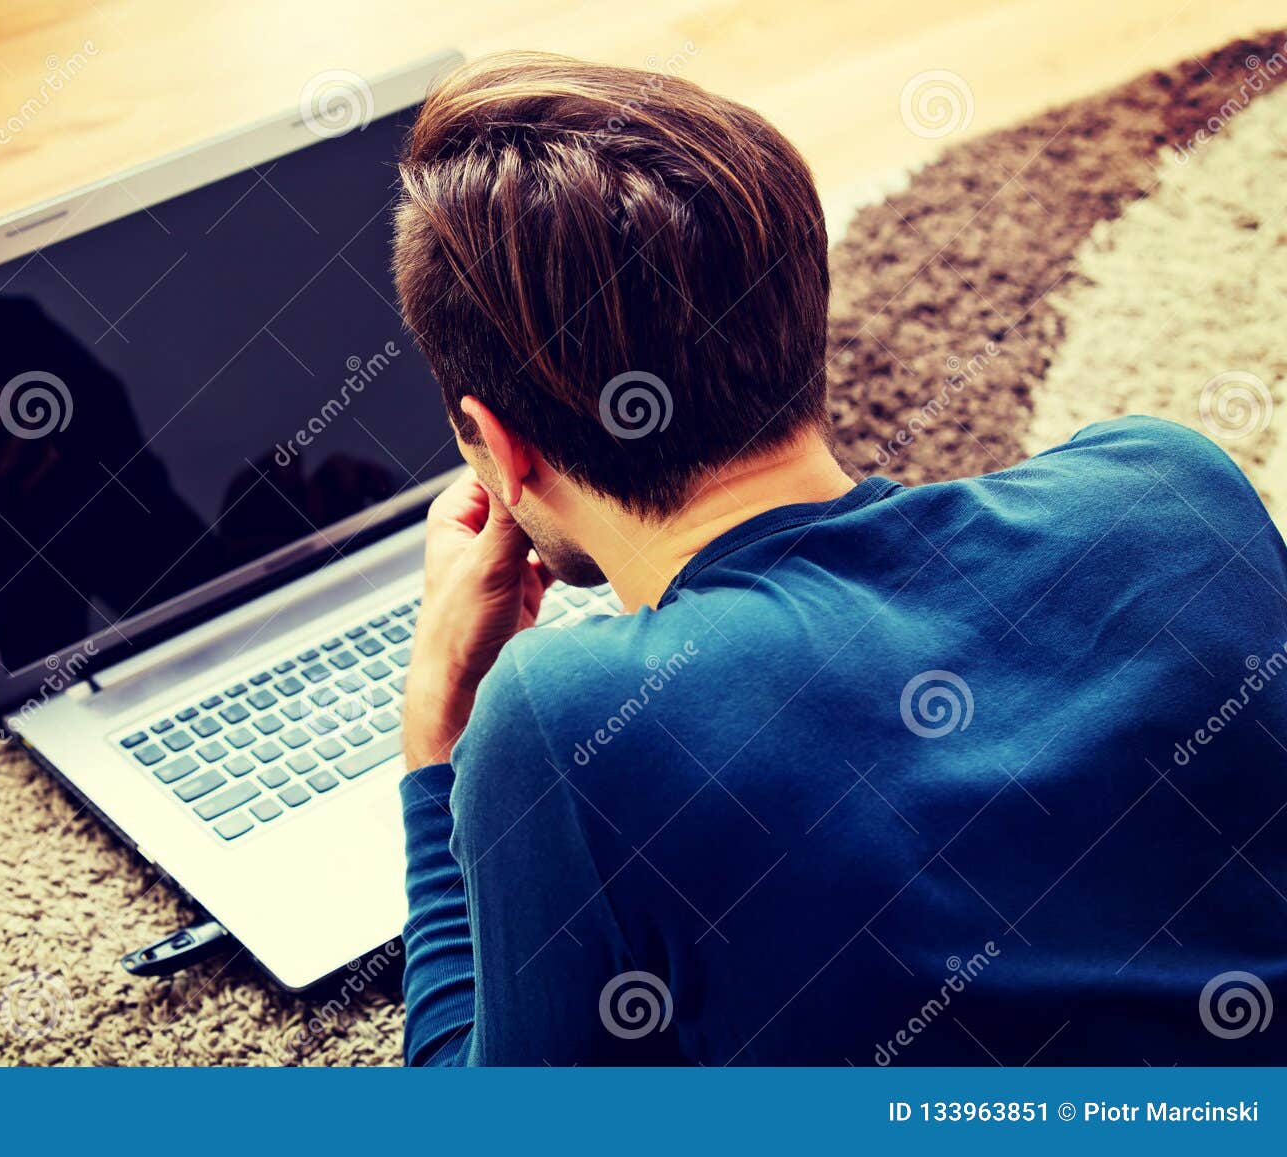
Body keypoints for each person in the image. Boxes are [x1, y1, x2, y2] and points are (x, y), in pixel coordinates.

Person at [391, 52, 1287, 1066]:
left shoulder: (566, 720)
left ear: (497, 446)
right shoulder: (1171, 489)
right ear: (804, 315)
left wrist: (438, 743)